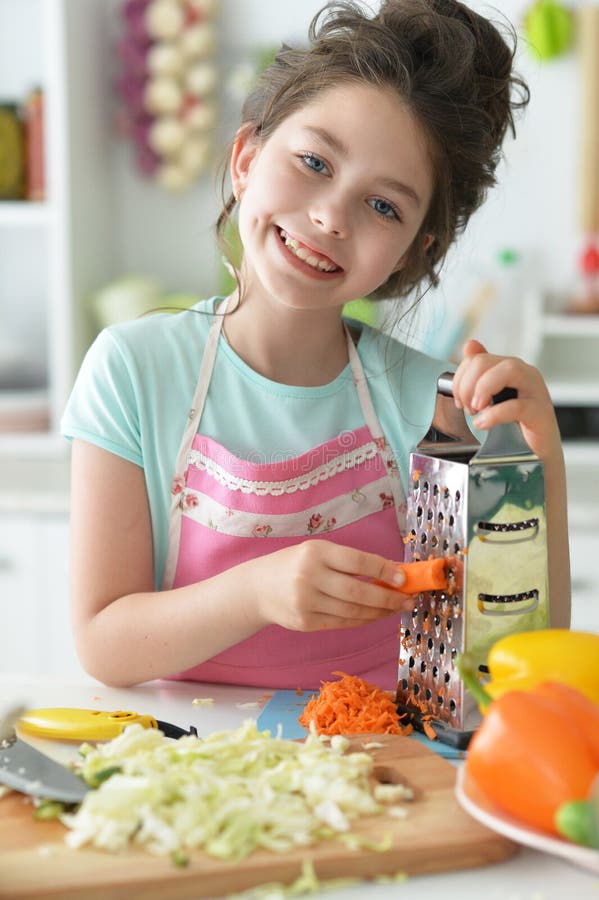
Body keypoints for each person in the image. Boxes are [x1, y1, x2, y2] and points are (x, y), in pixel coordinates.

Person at [62, 0, 570, 690]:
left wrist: (538, 460)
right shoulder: (132, 370)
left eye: (383, 205)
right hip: (193, 762)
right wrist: (255, 593)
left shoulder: (435, 404)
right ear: (245, 158)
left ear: (410, 253)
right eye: (313, 161)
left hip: (387, 769)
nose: (331, 216)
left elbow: (516, 656)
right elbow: (103, 644)